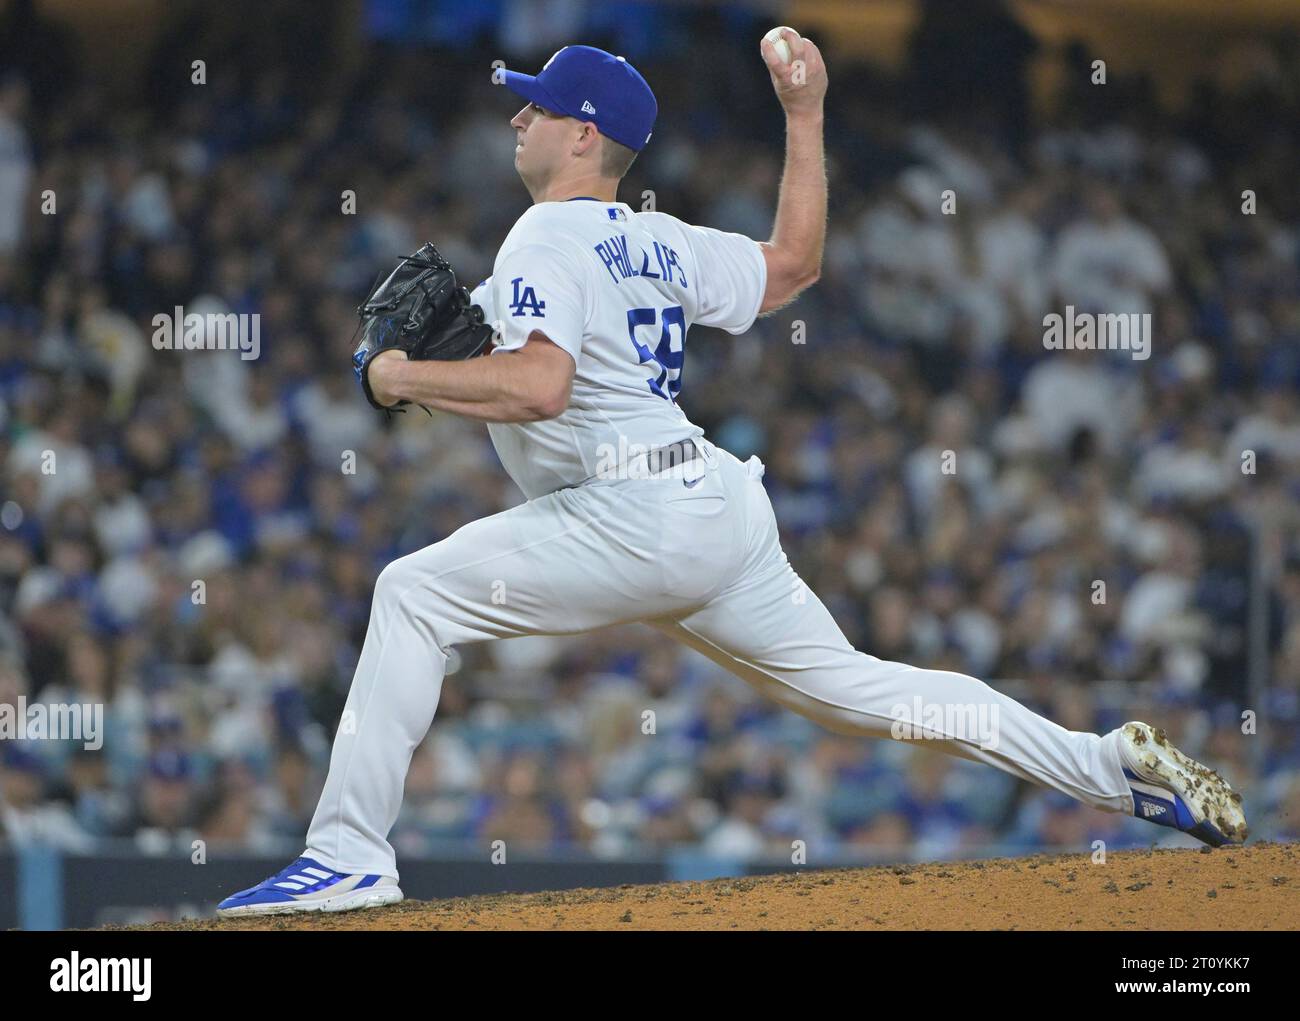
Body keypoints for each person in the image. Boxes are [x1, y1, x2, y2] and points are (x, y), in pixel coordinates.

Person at [217, 32, 1245, 917]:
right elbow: (792, 264)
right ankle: (1108, 767)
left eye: (533, 103)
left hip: (636, 514)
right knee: (865, 691)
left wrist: (399, 375)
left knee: (411, 594)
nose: (515, 116)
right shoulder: (656, 240)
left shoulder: (543, 232)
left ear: (583, 133)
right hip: (710, 507)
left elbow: (536, 385)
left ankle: (347, 857)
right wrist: (806, 114)